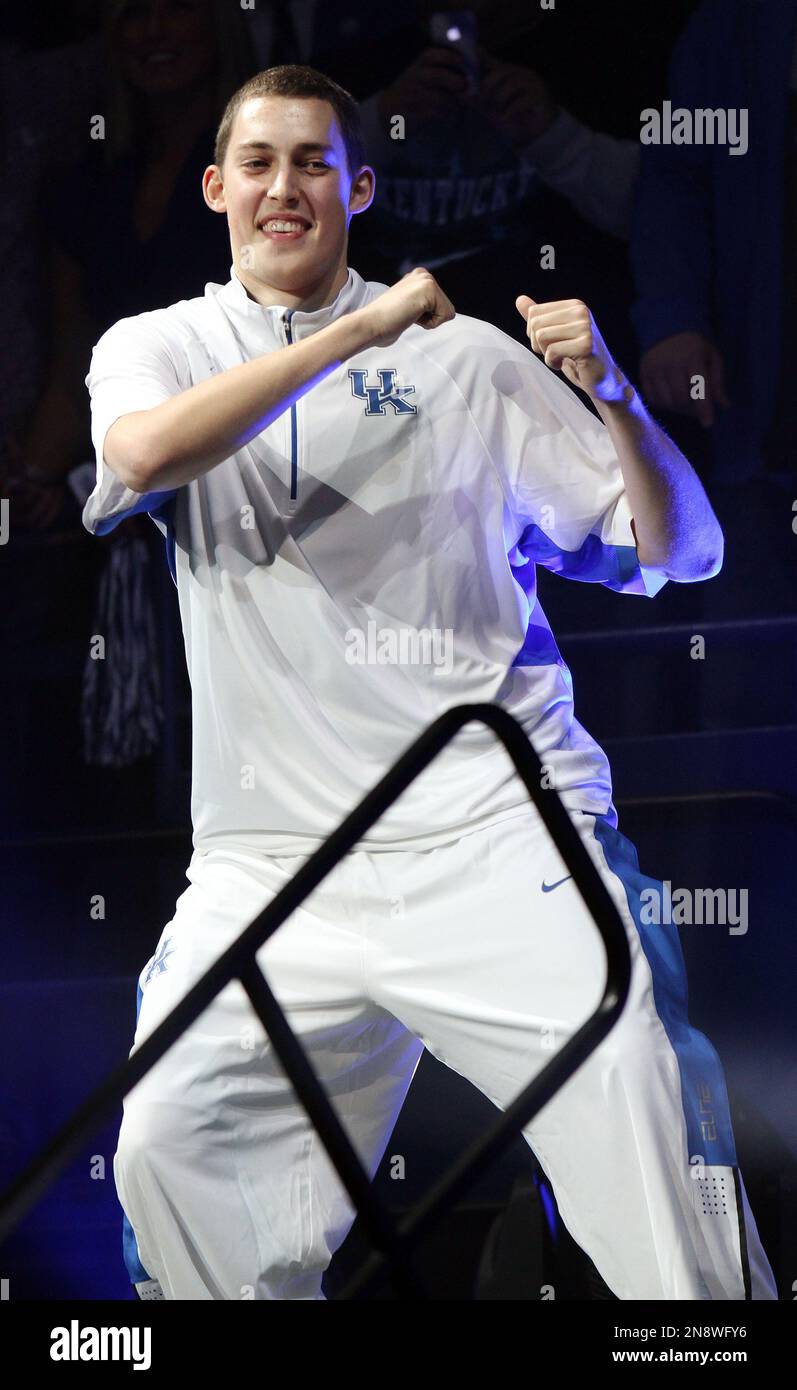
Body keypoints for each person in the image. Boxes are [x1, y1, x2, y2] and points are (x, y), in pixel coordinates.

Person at [81, 64, 778, 1301]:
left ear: (358, 185)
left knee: (643, 1105)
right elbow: (142, 455)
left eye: (311, 163)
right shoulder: (157, 347)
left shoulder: (466, 362)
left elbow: (680, 551)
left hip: (496, 835)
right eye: (257, 163)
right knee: (167, 1147)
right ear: (215, 188)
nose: (281, 188)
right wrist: (356, 332)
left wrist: (615, 397)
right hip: (271, 861)